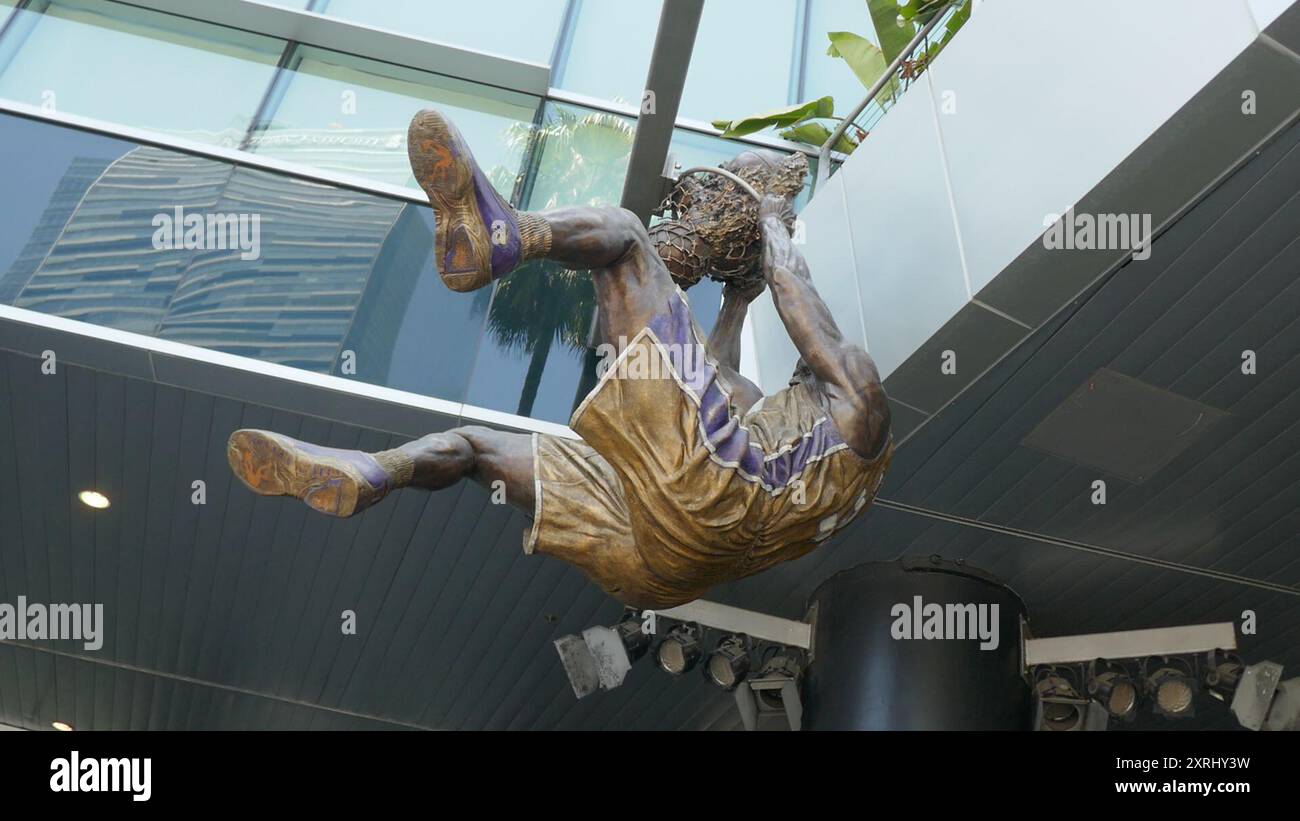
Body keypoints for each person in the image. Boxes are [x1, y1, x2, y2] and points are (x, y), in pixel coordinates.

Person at [227, 109, 892, 609]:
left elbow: (796, 291)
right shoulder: (808, 455)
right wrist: (735, 301)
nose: (814, 353)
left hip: (704, 500)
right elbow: (714, 387)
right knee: (473, 449)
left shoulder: (859, 391)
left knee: (628, 241)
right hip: (664, 569)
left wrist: (771, 217)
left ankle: (507, 235)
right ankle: (373, 471)